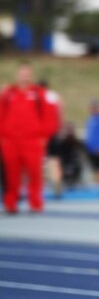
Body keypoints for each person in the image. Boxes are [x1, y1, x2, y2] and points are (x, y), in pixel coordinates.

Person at [0, 62, 60, 214]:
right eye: (22, 73)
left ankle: (35, 203)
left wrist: (44, 136)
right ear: (17, 75)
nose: (24, 77)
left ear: (31, 75)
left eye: (27, 74)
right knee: (11, 175)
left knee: (35, 174)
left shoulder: (40, 94)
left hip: (33, 142)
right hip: (11, 142)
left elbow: (51, 117)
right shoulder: (7, 94)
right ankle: (11, 203)